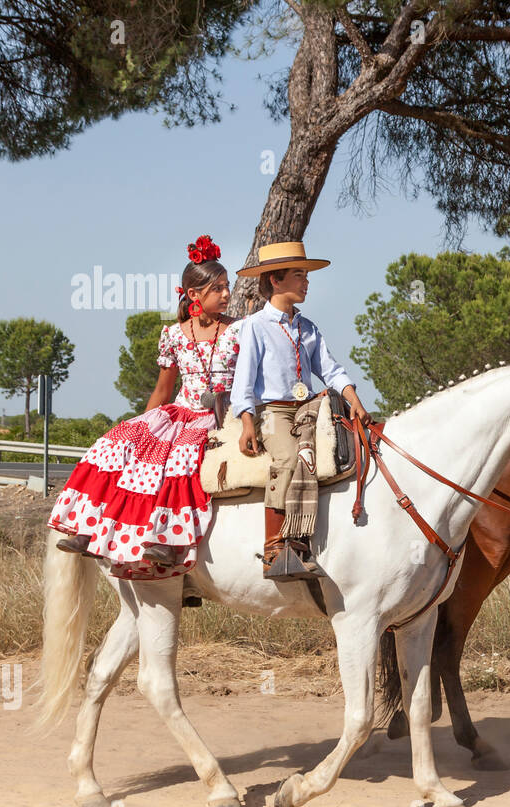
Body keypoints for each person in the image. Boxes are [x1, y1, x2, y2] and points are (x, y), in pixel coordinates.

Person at [50, 235, 244, 579]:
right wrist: (142, 425)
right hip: (182, 412)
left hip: (219, 414)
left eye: (227, 286)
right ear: (195, 295)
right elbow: (163, 389)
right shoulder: (173, 334)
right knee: (115, 446)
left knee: (182, 458)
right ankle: (89, 529)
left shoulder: (239, 331)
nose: (228, 294)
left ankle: (170, 540)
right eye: (219, 288)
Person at [229, 241, 369, 580]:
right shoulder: (255, 327)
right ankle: (275, 548)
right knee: (290, 460)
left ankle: (322, 541)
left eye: (306, 275)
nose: (306, 282)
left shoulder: (308, 328)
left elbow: (330, 369)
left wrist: (354, 399)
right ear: (276, 281)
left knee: (346, 450)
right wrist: (247, 422)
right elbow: (244, 381)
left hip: (309, 407)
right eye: (299, 275)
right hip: (273, 413)